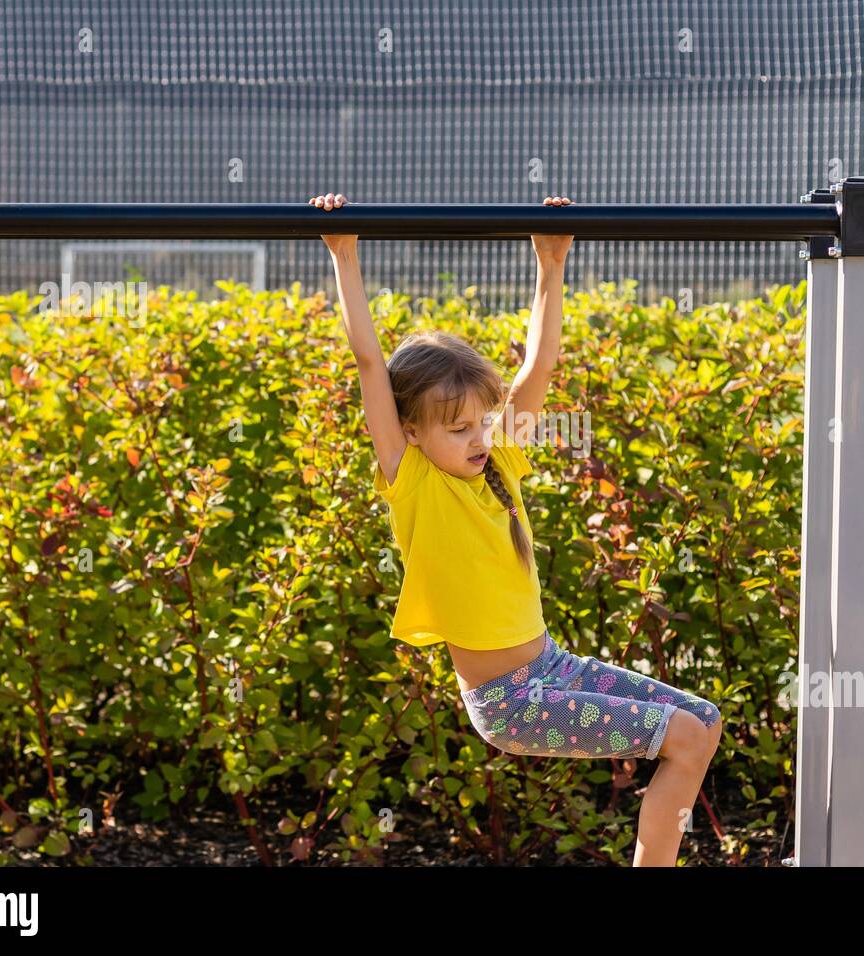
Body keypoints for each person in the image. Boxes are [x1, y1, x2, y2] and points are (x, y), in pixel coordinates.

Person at [310, 191, 723, 866]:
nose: (478, 438)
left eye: (481, 422)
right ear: (411, 431)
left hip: (551, 668)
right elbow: (367, 364)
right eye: (457, 428)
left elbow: (538, 369)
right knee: (681, 734)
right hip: (510, 702)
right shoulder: (412, 481)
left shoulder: (500, 461)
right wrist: (345, 256)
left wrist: (550, 264)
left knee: (702, 722)